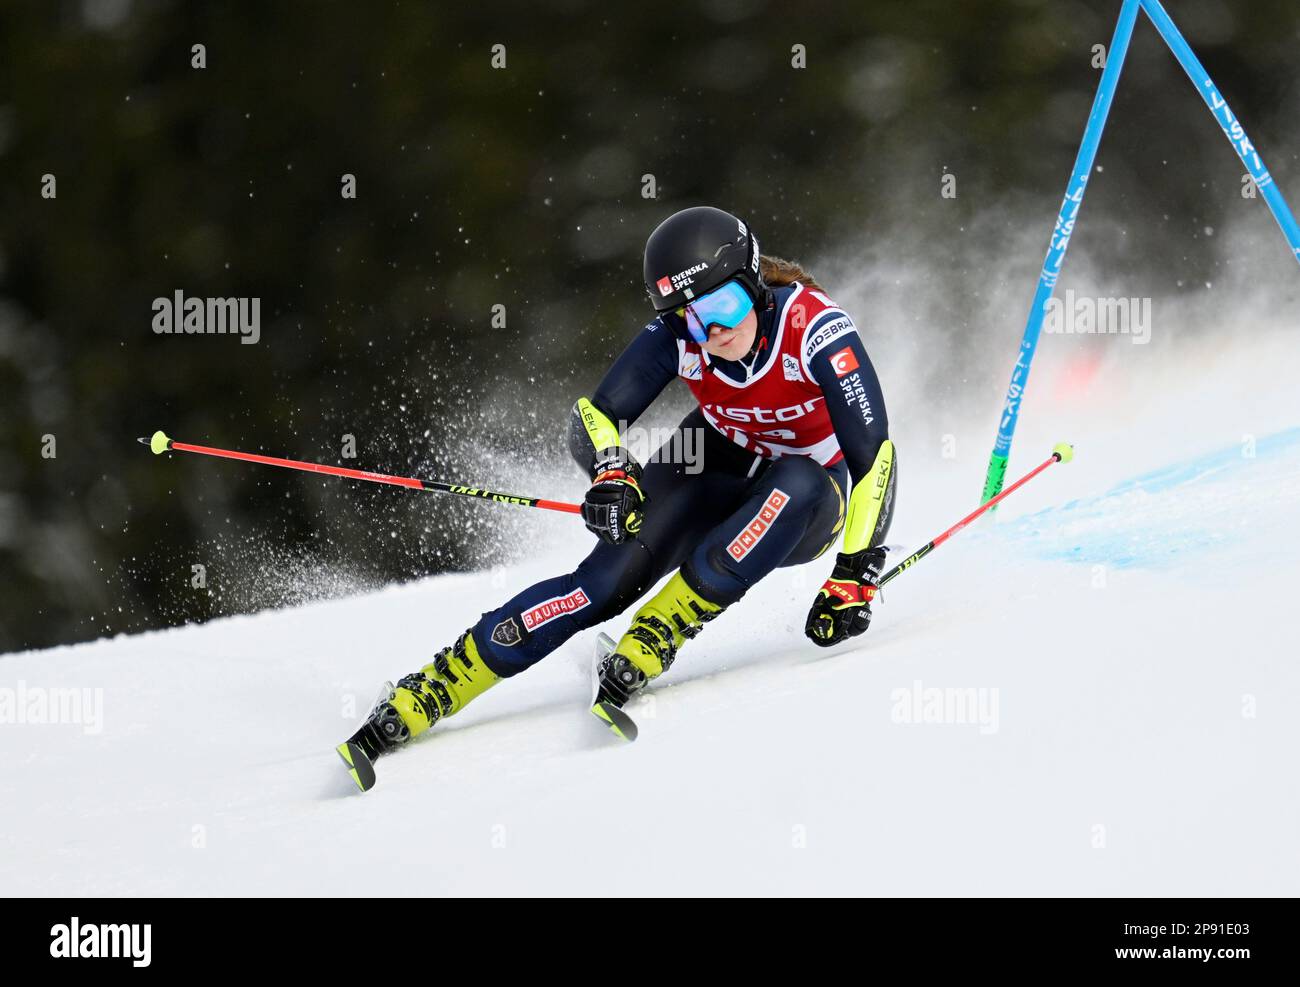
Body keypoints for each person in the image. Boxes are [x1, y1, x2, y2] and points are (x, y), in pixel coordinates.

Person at [346, 206, 896, 759]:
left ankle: (661, 628)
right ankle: (438, 685)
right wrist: (611, 470)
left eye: (723, 306)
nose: (715, 331)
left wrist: (854, 572)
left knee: (796, 479)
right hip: (711, 460)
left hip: (805, 505)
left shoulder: (816, 330)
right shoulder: (680, 336)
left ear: (753, 280)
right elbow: (596, 412)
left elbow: (874, 456)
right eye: (691, 319)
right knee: (602, 583)